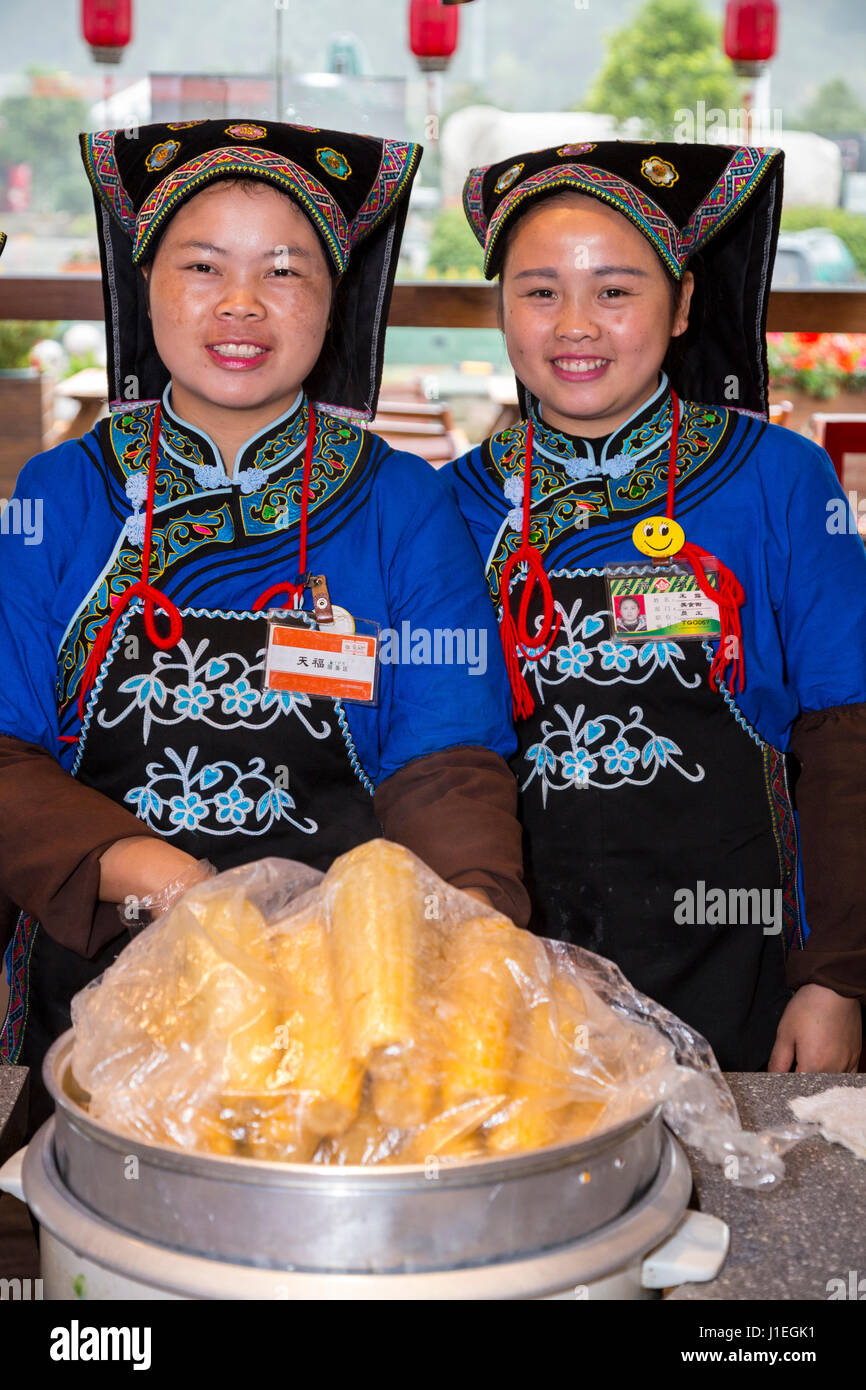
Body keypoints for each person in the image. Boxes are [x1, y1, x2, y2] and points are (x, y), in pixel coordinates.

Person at [0, 119, 527, 1130]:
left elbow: (446, 759)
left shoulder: (398, 503)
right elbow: (6, 755)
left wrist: (476, 941)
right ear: (142, 283)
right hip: (100, 994)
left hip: (340, 1012)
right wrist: (175, 886)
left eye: (283, 272)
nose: (240, 303)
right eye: (203, 266)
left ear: (333, 306)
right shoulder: (60, 494)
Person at [443, 140, 866, 1072]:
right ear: (501, 310)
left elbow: (848, 733)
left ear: (680, 306)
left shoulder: (774, 479)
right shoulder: (447, 508)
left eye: (617, 290)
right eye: (540, 290)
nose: (575, 326)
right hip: (523, 972)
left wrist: (834, 977)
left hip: (745, 958)